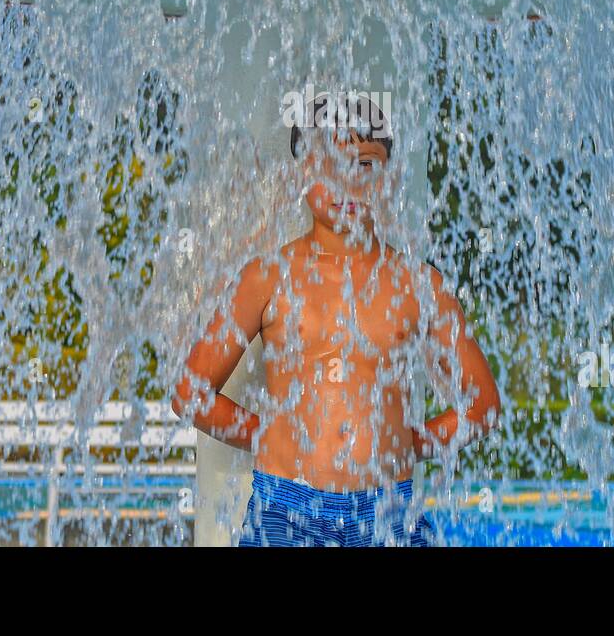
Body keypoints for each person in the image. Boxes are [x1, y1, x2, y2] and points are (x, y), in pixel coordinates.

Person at [172, 91, 501, 546]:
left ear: (388, 176)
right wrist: (264, 434)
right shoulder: (267, 277)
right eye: (329, 160)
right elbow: (190, 391)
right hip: (285, 507)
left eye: (366, 163)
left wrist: (413, 443)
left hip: (388, 508)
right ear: (302, 173)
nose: (348, 178)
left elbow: (481, 405)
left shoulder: (419, 285)